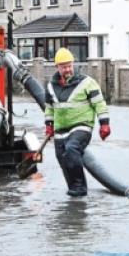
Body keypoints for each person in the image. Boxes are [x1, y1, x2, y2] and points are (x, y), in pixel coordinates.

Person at [45, 48, 110, 197]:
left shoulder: (87, 83)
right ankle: (73, 191)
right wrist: (48, 126)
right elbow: (49, 108)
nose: (67, 69)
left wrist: (104, 124)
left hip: (82, 126)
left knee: (72, 150)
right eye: (64, 67)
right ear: (57, 67)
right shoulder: (50, 86)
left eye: (69, 66)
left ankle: (80, 188)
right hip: (61, 129)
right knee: (62, 158)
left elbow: (99, 103)